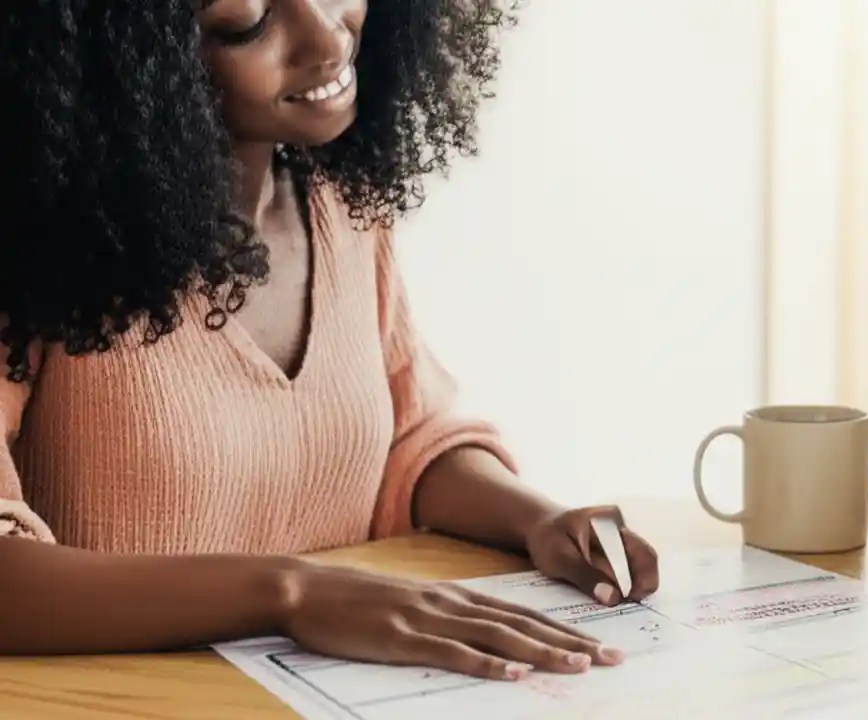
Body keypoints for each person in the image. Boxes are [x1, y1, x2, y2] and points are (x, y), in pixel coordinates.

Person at [0, 0, 659, 680]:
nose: (324, 37)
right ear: (124, 61)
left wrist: (538, 522)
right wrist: (290, 594)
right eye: (249, 21)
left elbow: (412, 440)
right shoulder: (29, 259)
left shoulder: (342, 207)